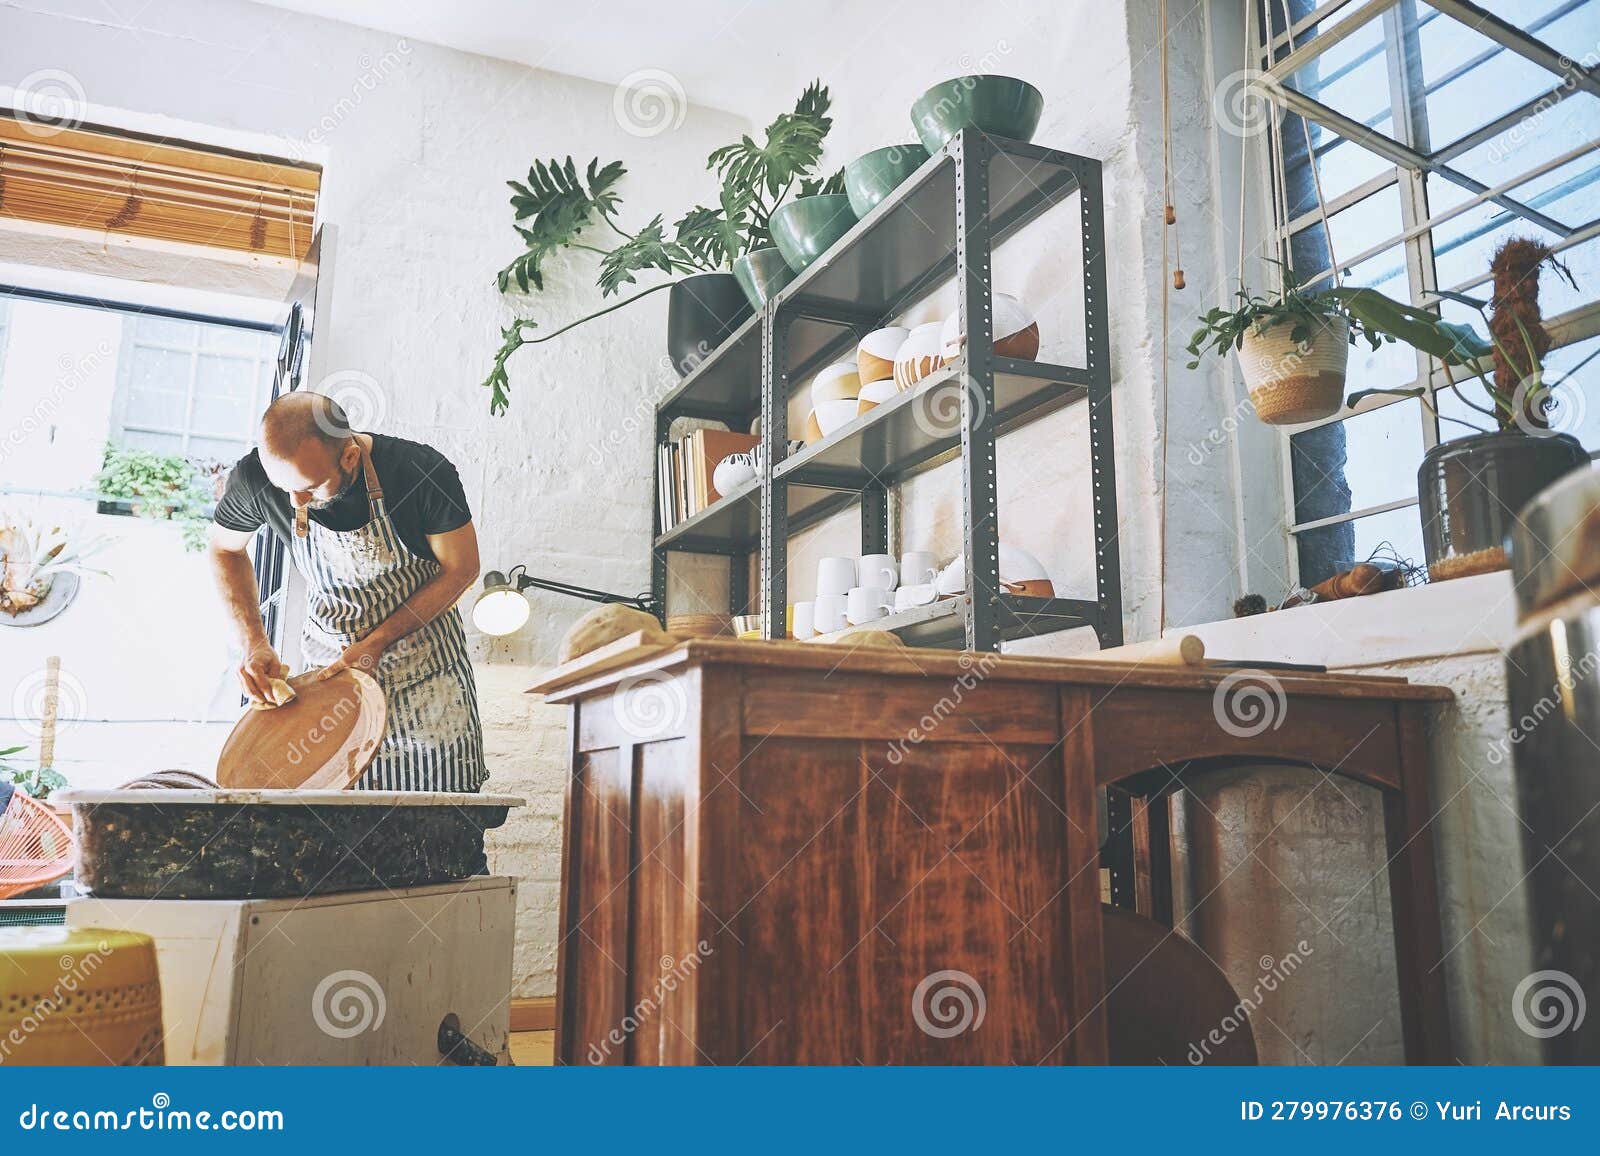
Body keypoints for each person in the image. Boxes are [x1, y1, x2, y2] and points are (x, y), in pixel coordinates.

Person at [208, 392, 485, 792]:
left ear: (350, 457)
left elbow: (462, 569)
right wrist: (253, 642)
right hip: (333, 687)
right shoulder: (256, 478)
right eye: (285, 489)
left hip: (429, 683)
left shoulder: (420, 471)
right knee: (335, 837)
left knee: (446, 831)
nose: (296, 501)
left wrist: (378, 642)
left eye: (309, 488)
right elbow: (224, 549)